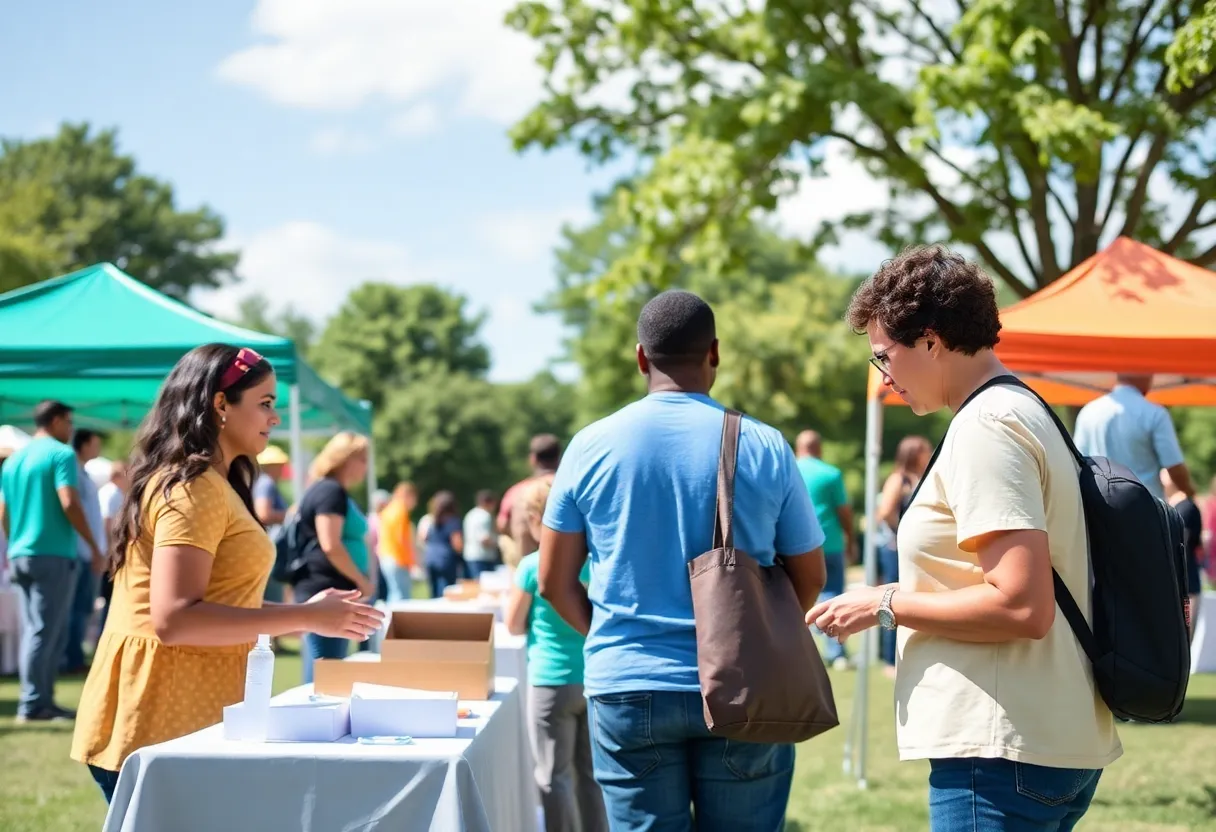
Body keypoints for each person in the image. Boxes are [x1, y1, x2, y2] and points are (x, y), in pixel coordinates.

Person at [809, 245, 1121, 831]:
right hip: (1031, 736)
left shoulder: (986, 426)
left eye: (885, 357)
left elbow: (1022, 604)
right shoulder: (1020, 408)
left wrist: (885, 603)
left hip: (1001, 747)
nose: (886, 377)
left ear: (930, 339)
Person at [539, 289, 827, 831]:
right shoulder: (765, 445)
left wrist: (609, 634)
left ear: (641, 357)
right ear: (714, 353)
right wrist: (753, 636)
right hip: (744, 683)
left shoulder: (588, 447)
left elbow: (554, 582)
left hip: (628, 682)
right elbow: (810, 574)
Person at [70, 345, 382, 803]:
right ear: (220, 404)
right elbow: (176, 618)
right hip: (158, 714)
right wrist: (304, 618)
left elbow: (220, 601)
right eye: (265, 403)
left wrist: (307, 612)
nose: (274, 418)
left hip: (180, 708)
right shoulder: (192, 488)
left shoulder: (212, 483)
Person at [506, 475, 607, 832]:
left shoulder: (533, 566)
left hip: (551, 680)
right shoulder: (593, 561)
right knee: (591, 775)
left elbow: (513, 624)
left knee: (553, 775)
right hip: (591, 678)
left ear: (537, 520)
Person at [0, 400, 103, 723]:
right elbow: (69, 501)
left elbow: (3, 513)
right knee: (46, 631)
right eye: (69, 423)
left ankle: (41, 700)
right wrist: (94, 546)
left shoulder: (13, 461)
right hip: (53, 554)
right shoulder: (61, 455)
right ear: (56, 421)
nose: (71, 430)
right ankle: (33, 704)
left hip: (21, 554)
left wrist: (16, 541)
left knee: (37, 630)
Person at [289, 431, 377, 683]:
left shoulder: (326, 488)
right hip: (327, 590)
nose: (365, 467)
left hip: (329, 590)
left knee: (327, 669)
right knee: (325, 672)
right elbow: (331, 544)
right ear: (346, 459)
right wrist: (361, 581)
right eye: (362, 459)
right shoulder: (331, 491)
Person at [1073, 375, 1194, 500]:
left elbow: (1077, 465)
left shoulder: (1088, 413)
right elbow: (1174, 467)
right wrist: (1190, 493)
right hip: (1145, 507)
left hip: (1099, 507)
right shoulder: (1155, 413)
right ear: (1146, 374)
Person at [795, 429, 854, 670]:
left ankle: (803, 647)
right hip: (829, 543)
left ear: (798, 448)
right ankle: (836, 650)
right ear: (818, 448)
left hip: (795, 545)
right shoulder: (831, 474)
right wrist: (852, 539)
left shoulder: (788, 470)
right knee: (833, 594)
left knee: (798, 597)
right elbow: (844, 511)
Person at [875, 435, 931, 674]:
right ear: (913, 453)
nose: (929, 453)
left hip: (913, 552)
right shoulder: (899, 479)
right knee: (891, 601)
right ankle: (889, 659)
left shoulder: (921, 478)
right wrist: (900, 533)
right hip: (894, 549)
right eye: (924, 450)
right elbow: (885, 511)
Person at [63, 429, 107, 674]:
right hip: (82, 552)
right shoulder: (75, 474)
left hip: (89, 551)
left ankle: (74, 656)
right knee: (78, 609)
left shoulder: (84, 474)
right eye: (96, 443)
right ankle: (73, 658)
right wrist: (91, 550)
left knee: (83, 608)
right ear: (85, 445)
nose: (98, 448)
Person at [499, 435, 562, 566]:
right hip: (575, 574)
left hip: (529, 577)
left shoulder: (516, 492)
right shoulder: (573, 487)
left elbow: (502, 524)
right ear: (559, 458)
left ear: (533, 459)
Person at [1162, 470, 1204, 642]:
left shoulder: (1186, 508)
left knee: (1183, 641)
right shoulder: (1170, 506)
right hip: (1177, 584)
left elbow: (1184, 549)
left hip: (1186, 586)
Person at [96, 460, 128, 636]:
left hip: (106, 552)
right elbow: (108, 524)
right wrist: (112, 553)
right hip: (109, 553)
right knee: (109, 600)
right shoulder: (112, 494)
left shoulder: (109, 492)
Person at [378, 482, 418, 603]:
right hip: (398, 558)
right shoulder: (401, 510)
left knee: (394, 593)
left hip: (386, 556)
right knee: (402, 597)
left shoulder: (389, 508)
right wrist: (410, 562)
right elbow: (401, 539)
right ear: (408, 495)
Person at [422, 491, 464, 597]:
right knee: (447, 592)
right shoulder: (452, 521)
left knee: (434, 592)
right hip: (446, 559)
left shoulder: (433, 520)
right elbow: (457, 543)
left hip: (430, 557)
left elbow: (424, 538)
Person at [463, 490, 500, 579]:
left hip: (470, 555)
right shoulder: (485, 516)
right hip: (483, 557)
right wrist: (499, 542)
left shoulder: (470, 514)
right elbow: (484, 539)